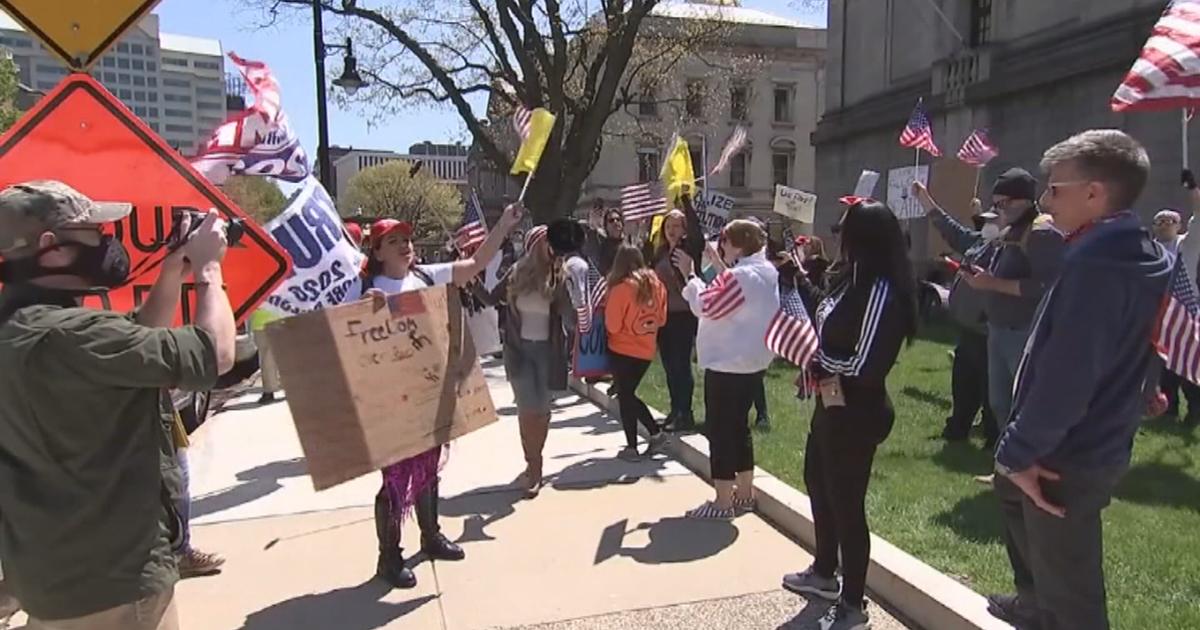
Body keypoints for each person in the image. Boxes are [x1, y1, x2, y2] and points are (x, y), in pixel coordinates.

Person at [0, 181, 237, 629]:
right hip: (115, 581)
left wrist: (171, 272)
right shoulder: (74, 334)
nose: (108, 241)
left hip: (54, 576)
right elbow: (215, 353)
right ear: (51, 248)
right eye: (94, 233)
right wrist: (209, 270)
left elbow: (134, 346)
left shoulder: (24, 325)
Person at [986, 130, 1169, 630]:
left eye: (1055, 189)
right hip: (1096, 437)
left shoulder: (1094, 265)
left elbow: (1067, 380)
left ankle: (1047, 609)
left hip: (1065, 453)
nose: (1045, 202)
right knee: (1010, 495)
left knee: (1075, 602)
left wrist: (1019, 452)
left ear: (1094, 193)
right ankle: (1032, 602)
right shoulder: (1138, 248)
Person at [344, 203, 522, 590]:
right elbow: (342, 340)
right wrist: (363, 311)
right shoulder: (359, 290)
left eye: (407, 240)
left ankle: (431, 535)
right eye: (394, 241)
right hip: (389, 400)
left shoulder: (426, 276)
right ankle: (388, 557)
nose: (406, 246)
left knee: (428, 470)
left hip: (428, 391)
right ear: (377, 251)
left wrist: (505, 224)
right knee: (394, 480)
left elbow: (476, 263)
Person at [780, 199, 918, 630]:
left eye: (846, 231)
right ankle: (823, 572)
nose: (839, 238)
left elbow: (869, 363)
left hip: (858, 410)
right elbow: (828, 317)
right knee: (816, 483)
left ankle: (853, 604)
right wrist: (800, 281)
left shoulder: (883, 290)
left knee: (847, 504)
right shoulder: (851, 278)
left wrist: (822, 366)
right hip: (831, 404)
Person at [914, 169, 1066, 480]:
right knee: (1001, 403)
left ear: (1024, 200)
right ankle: (1007, 470)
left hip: (1022, 332)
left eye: (1002, 203)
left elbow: (1047, 286)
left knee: (1022, 406)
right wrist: (929, 205)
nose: (996, 210)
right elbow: (961, 237)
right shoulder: (1005, 232)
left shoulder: (1041, 233)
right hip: (998, 329)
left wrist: (992, 284)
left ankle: (1031, 470)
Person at [675, 220, 778, 519]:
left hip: (727, 363)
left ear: (738, 243)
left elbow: (707, 305)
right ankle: (745, 494)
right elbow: (735, 288)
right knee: (739, 428)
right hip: (752, 363)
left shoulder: (741, 276)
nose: (721, 246)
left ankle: (722, 501)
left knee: (720, 430)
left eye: (725, 241)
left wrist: (691, 275)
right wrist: (721, 265)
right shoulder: (765, 271)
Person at [490, 225, 575, 497]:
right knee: (528, 408)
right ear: (535, 244)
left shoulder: (559, 276)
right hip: (519, 351)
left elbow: (569, 318)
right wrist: (471, 282)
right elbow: (491, 298)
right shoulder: (516, 273)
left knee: (542, 409)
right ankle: (534, 467)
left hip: (547, 352)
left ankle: (534, 459)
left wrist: (567, 288)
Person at [928, 198, 1003, 447]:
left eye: (993, 222)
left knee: (991, 388)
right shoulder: (978, 243)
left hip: (989, 331)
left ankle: (993, 438)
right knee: (963, 384)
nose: (987, 226)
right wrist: (926, 200)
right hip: (968, 329)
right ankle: (958, 428)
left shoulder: (1010, 250)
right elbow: (952, 231)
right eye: (985, 221)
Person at [646, 196, 706, 431]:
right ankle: (675, 410)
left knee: (681, 365)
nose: (672, 230)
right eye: (668, 226)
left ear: (684, 229)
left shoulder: (688, 249)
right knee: (669, 365)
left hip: (683, 314)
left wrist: (686, 202)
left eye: (677, 226)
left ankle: (686, 413)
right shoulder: (660, 252)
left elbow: (698, 234)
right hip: (663, 315)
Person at [605, 244, 669, 459]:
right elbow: (661, 319)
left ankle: (641, 441)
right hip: (646, 350)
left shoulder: (620, 289)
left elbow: (612, 326)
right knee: (627, 395)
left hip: (621, 349)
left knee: (626, 396)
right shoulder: (657, 286)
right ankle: (647, 438)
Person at [583, 199, 624, 275]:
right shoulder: (602, 246)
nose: (615, 222)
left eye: (618, 219)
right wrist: (593, 227)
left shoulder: (629, 244)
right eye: (611, 220)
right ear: (606, 226)